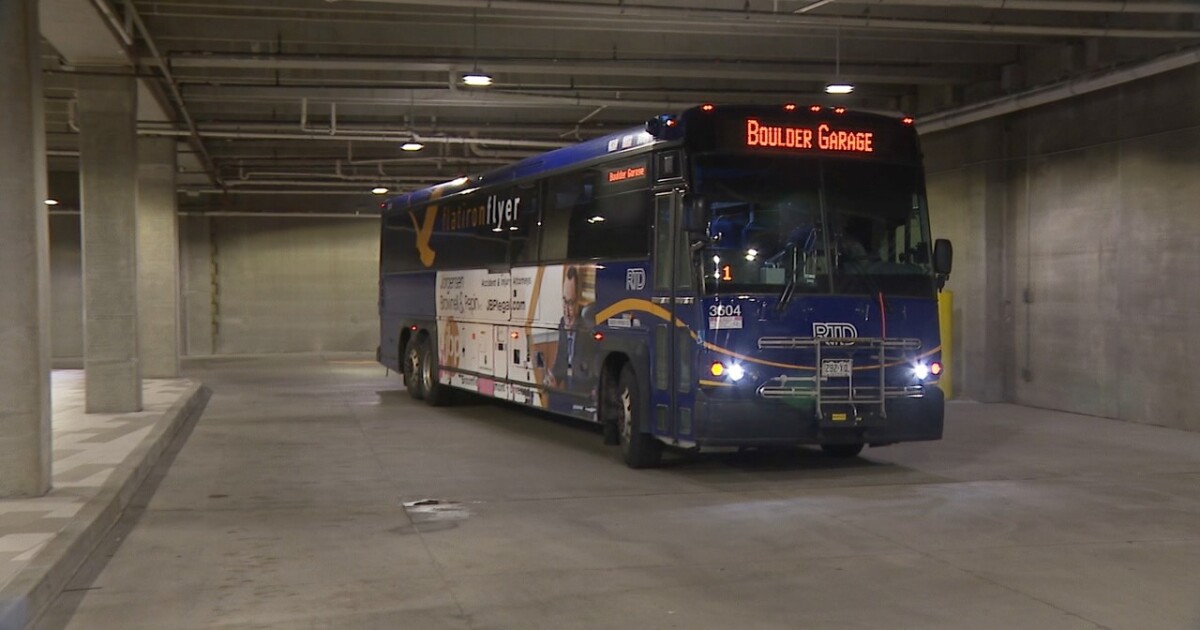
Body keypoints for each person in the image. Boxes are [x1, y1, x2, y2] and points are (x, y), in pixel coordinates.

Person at [545, 265, 589, 391]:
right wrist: (553, 378)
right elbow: (561, 361)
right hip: (569, 389)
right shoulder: (562, 323)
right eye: (564, 301)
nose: (567, 312)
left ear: (579, 301)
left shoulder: (587, 326)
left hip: (583, 391)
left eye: (571, 303)